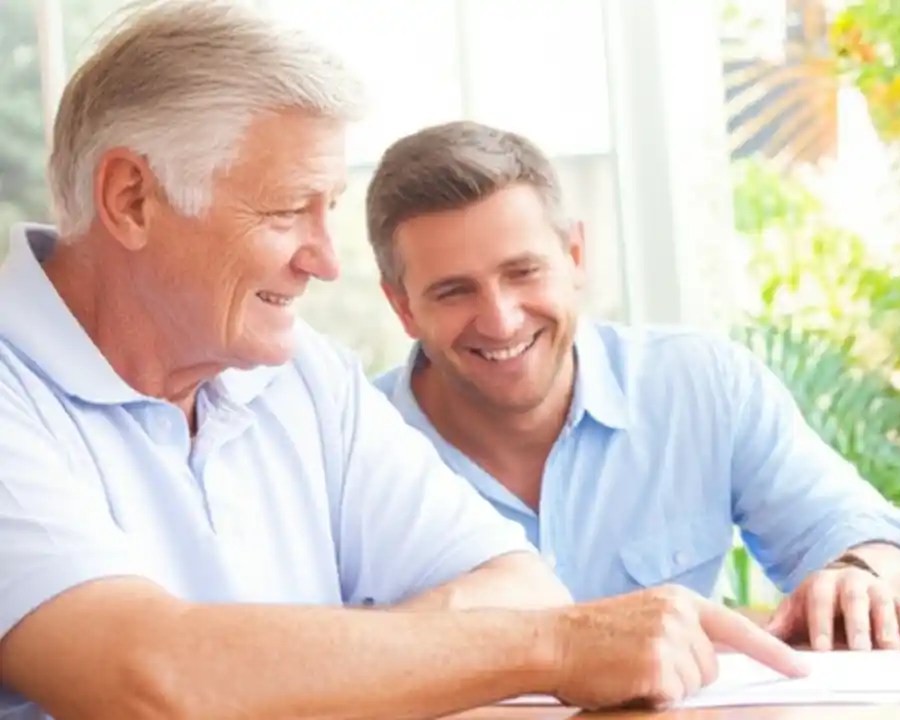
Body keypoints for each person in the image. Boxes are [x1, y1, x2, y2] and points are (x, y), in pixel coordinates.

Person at [0, 2, 806, 718]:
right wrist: (552, 650)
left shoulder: (302, 376)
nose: (324, 260)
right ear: (132, 199)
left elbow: (518, 587)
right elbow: (145, 683)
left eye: (330, 211)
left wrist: (275, 678)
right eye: (287, 212)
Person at [367, 120, 900, 655]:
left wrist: (858, 574)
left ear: (575, 256)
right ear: (403, 307)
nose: (500, 320)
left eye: (523, 272)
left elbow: (862, 530)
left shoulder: (700, 384)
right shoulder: (353, 450)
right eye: (453, 292)